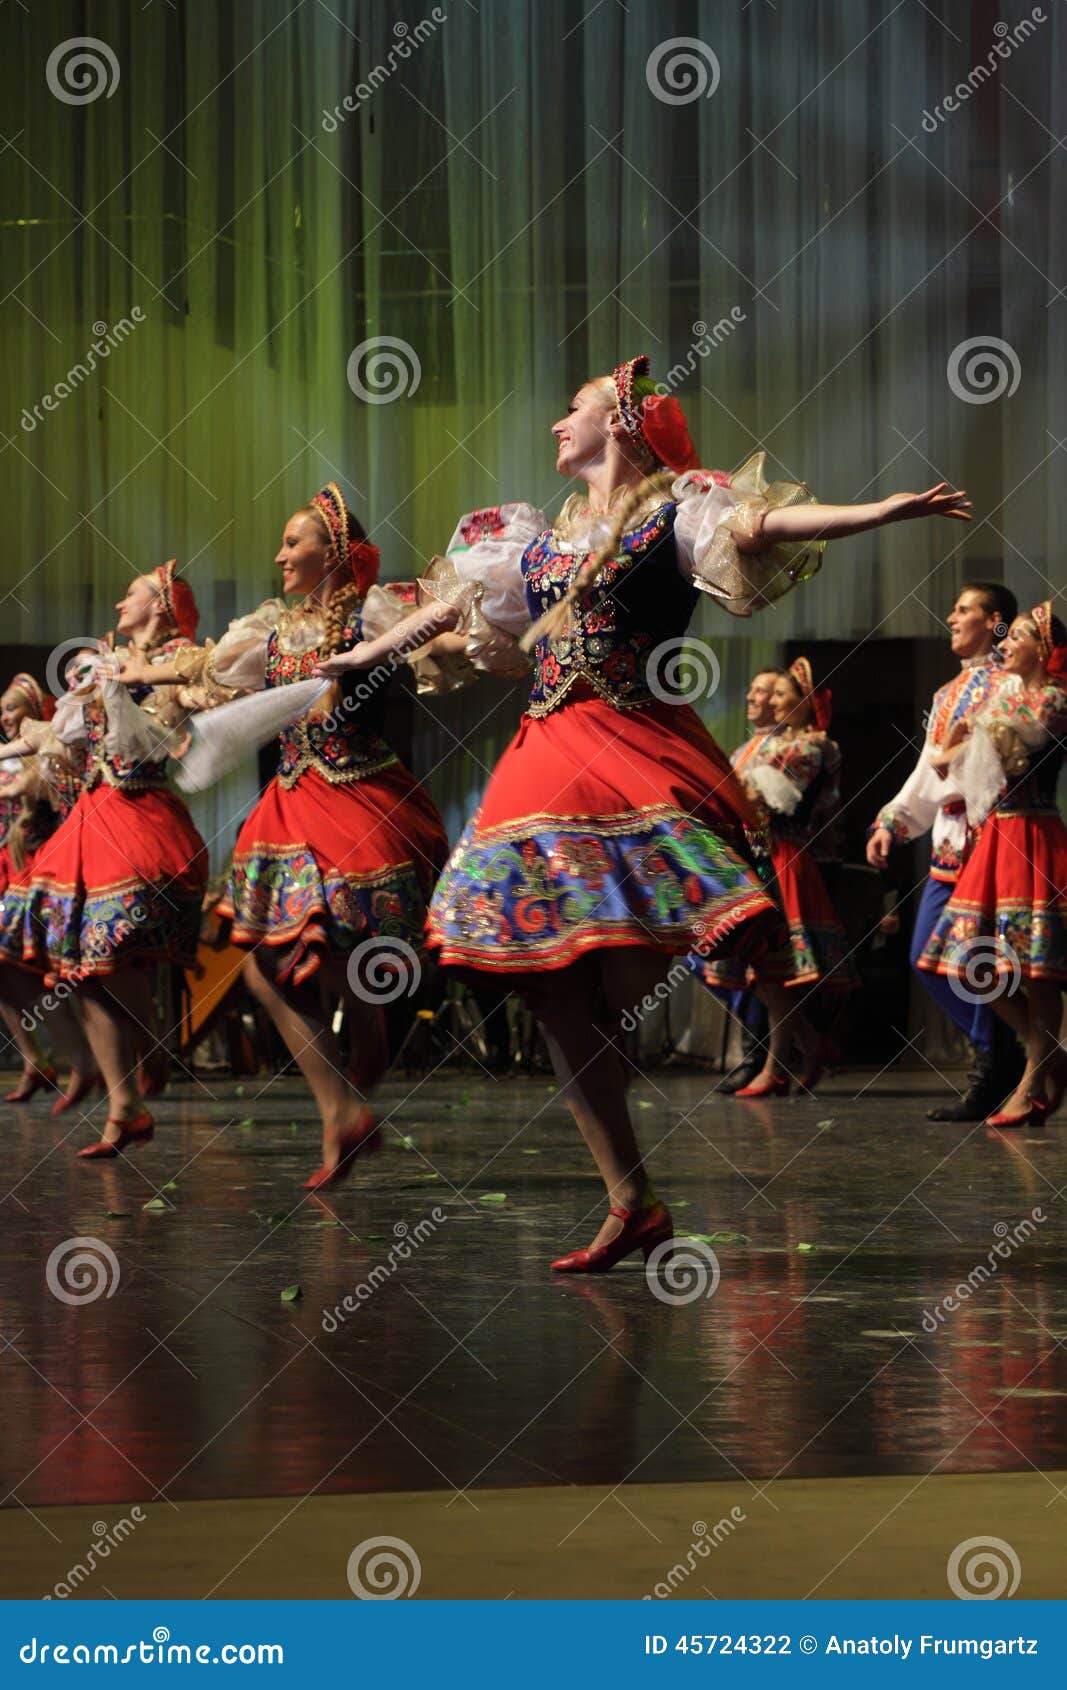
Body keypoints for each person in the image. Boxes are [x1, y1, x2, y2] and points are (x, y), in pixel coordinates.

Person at [347, 354, 970, 1273]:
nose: (559, 422)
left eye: (576, 408)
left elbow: (762, 525)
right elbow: (447, 608)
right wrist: (367, 661)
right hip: (546, 750)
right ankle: (630, 1198)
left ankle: (659, 1086)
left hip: (630, 743)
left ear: (622, 424)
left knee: (612, 972)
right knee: (557, 992)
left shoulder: (681, 511)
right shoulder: (537, 541)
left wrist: (875, 513)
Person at [137, 484, 451, 1189]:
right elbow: (211, 673)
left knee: (338, 954)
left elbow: (443, 633)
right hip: (292, 805)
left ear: (332, 551)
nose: (280, 555)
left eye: (293, 542)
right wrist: (138, 672)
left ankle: (360, 1054)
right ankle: (341, 1109)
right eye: (281, 544)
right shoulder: (271, 630)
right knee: (264, 963)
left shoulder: (373, 612)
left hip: (362, 797)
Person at [0, 564, 208, 1155]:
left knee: (115, 959)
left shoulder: (182, 663)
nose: (121, 600)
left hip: (141, 814)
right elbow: (57, 740)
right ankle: (127, 1105)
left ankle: (151, 1056)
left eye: (134, 592)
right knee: (82, 970)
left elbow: (158, 737)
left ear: (162, 605)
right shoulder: (99, 664)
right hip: (94, 819)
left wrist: (123, 683)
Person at [866, 583, 1022, 1119]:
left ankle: (997, 1064)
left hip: (993, 831)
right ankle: (1002, 1052)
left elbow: (996, 761)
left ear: (995, 620)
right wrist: (896, 819)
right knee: (926, 958)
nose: (951, 617)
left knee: (974, 959)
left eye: (963, 609)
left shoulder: (1017, 682)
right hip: (950, 841)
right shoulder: (946, 692)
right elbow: (927, 767)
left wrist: (950, 761)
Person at [918, 602, 1067, 1125]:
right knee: (965, 959)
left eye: (1018, 636)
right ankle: (1046, 1055)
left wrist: (961, 739)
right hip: (997, 836)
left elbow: (996, 748)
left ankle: (1029, 1084)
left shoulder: (1054, 701)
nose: (1005, 644)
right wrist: (955, 743)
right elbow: (942, 760)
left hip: (1033, 832)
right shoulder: (1001, 699)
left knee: (1038, 971)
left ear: (1043, 650)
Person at [699, 656, 858, 1095]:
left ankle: (776, 1065)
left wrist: (734, 792)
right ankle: (805, 1045)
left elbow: (778, 799)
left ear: (804, 702)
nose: (775, 701)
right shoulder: (761, 747)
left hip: (784, 857)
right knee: (760, 968)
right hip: (757, 857)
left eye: (785, 695)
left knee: (772, 969)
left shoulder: (813, 747)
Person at [0, 672, 96, 1112]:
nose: (5, 718)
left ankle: (81, 1060)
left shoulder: (48, 752)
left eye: (13, 709)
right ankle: (38, 1058)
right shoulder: (10, 758)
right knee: (9, 974)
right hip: (8, 870)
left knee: (38, 973)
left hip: (40, 871)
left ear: (34, 713)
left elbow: (47, 792)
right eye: (1, 710)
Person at [714, 669, 781, 1093]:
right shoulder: (743, 749)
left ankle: (760, 1054)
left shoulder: (789, 747)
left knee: (760, 959)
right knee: (721, 958)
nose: (753, 696)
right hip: (741, 861)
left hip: (774, 860)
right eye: (753, 688)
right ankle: (756, 1050)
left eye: (764, 691)